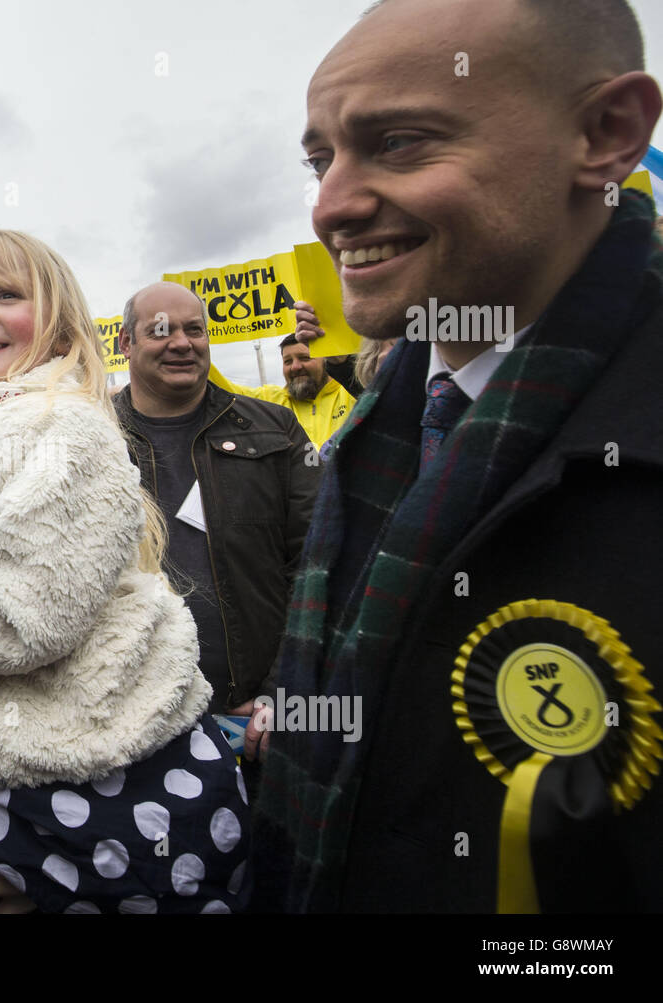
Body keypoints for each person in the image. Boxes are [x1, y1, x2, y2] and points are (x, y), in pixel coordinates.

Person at [254, 0, 663, 913]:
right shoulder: (388, 419)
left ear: (605, 134)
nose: (331, 207)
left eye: (397, 142)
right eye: (321, 160)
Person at [0, 231, 250, 914]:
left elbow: (30, 616)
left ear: (62, 327)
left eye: (6, 295)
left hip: (87, 753)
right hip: (25, 747)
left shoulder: (66, 431)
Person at [112, 282, 318, 729]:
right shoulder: (89, 439)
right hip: (129, 722)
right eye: (161, 331)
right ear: (126, 343)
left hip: (258, 721)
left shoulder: (275, 429)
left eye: (195, 330)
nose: (182, 343)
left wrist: (283, 690)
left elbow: (317, 565)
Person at [216, 334, 356, 446]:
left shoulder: (352, 393)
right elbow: (225, 393)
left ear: (326, 360)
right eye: (287, 361)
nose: (295, 367)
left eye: (304, 358)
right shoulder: (271, 400)